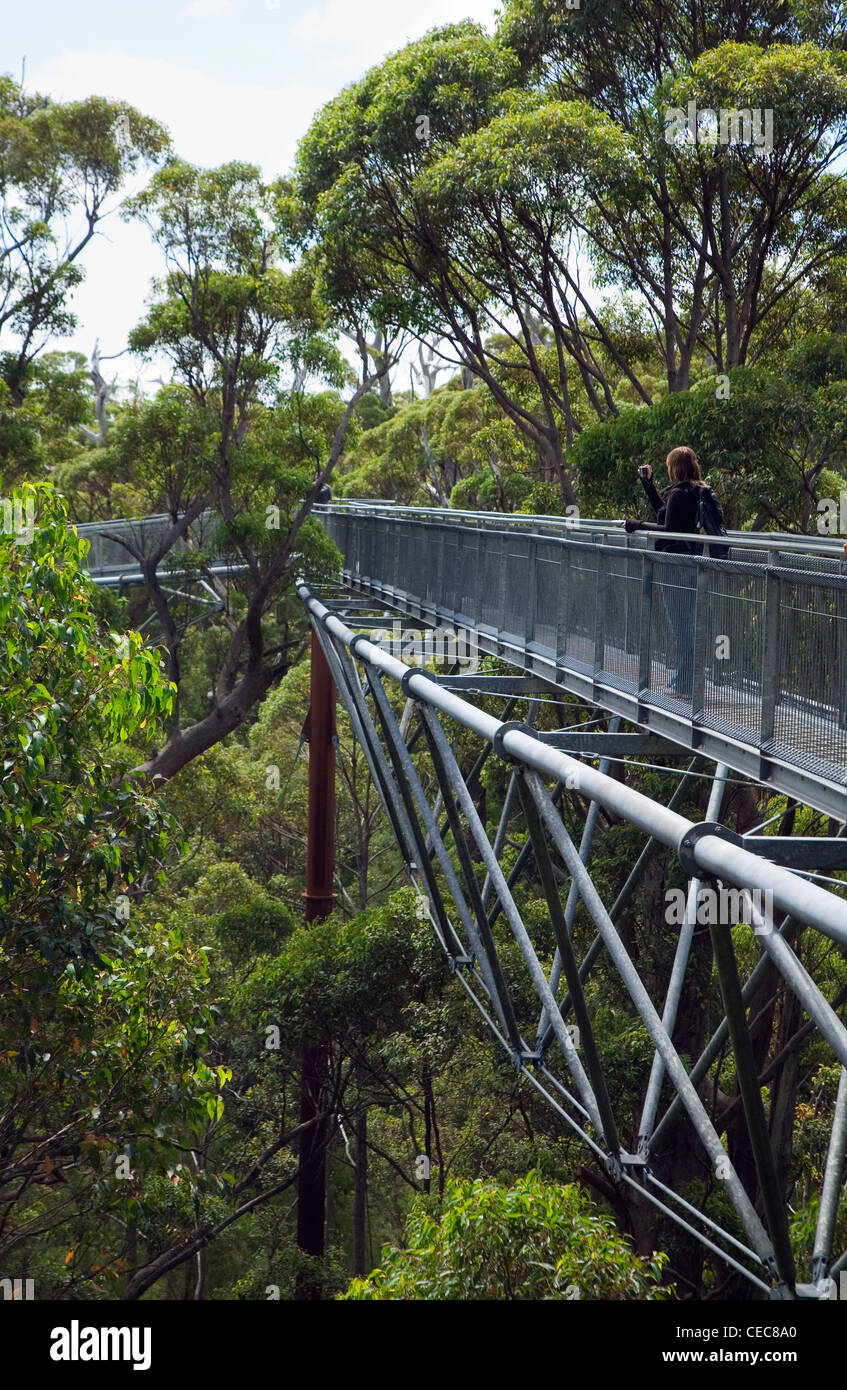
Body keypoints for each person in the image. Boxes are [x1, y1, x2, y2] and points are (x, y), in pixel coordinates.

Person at [624, 445, 710, 700]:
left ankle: (684, 684)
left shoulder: (680, 494)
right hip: (690, 563)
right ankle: (686, 680)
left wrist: (634, 525)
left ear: (674, 467)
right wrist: (648, 485)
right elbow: (665, 514)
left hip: (674, 566)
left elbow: (667, 528)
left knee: (681, 625)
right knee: (686, 623)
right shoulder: (695, 491)